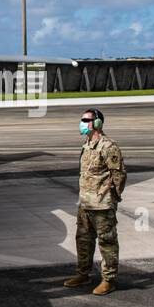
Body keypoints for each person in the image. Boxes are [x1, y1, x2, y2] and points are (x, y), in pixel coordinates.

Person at [63, 108, 127, 295]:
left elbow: (119, 174)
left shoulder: (108, 146)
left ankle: (109, 280)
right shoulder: (87, 144)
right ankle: (83, 274)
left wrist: (111, 197)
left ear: (97, 123)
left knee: (107, 242)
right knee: (83, 240)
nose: (82, 123)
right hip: (85, 203)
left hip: (102, 204)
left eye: (86, 120)